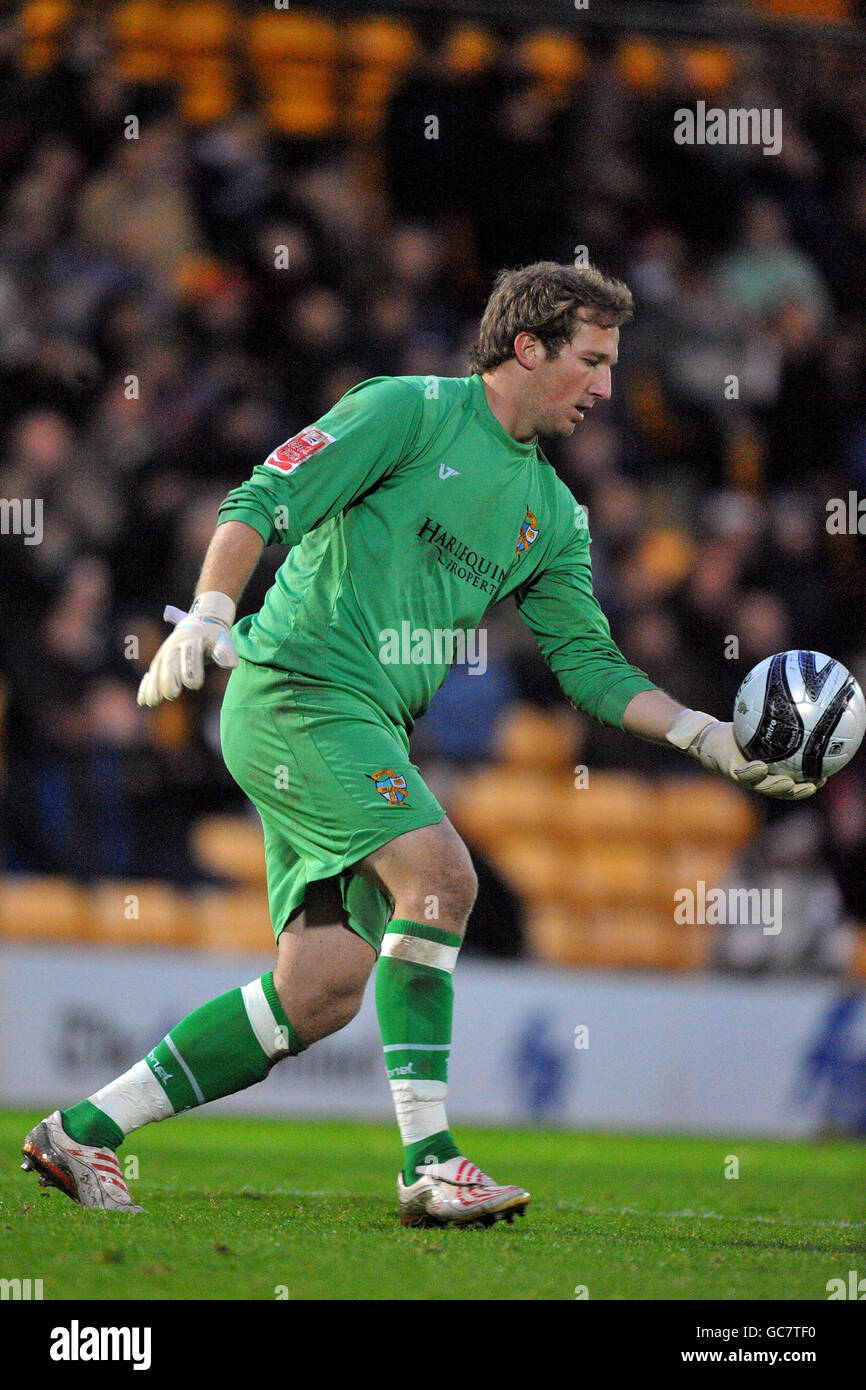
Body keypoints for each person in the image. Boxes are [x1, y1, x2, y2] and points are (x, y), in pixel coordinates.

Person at [21, 262, 822, 1227]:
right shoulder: (405, 411)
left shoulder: (552, 513)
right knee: (442, 876)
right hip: (297, 693)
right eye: (593, 360)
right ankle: (432, 1165)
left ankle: (83, 1130)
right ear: (527, 348)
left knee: (318, 994)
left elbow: (592, 668)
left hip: (366, 725)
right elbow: (259, 498)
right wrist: (209, 612)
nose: (608, 387)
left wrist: (709, 736)